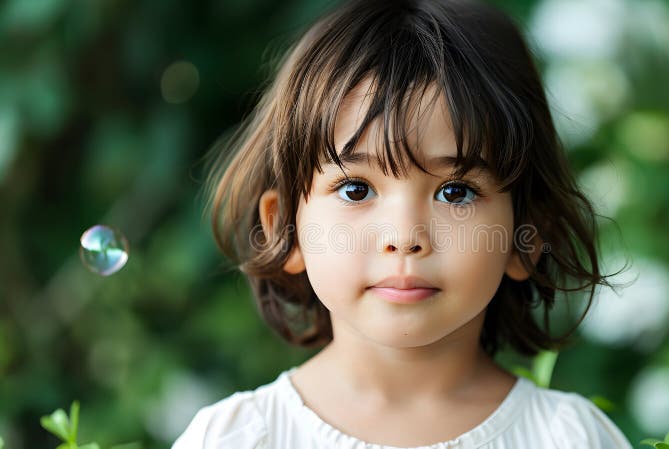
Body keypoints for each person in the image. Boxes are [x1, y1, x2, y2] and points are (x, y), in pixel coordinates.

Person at [173, 0, 633, 447]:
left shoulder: (569, 438)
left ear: (525, 236)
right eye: (356, 189)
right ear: (285, 228)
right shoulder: (237, 437)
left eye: (456, 191)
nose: (404, 237)